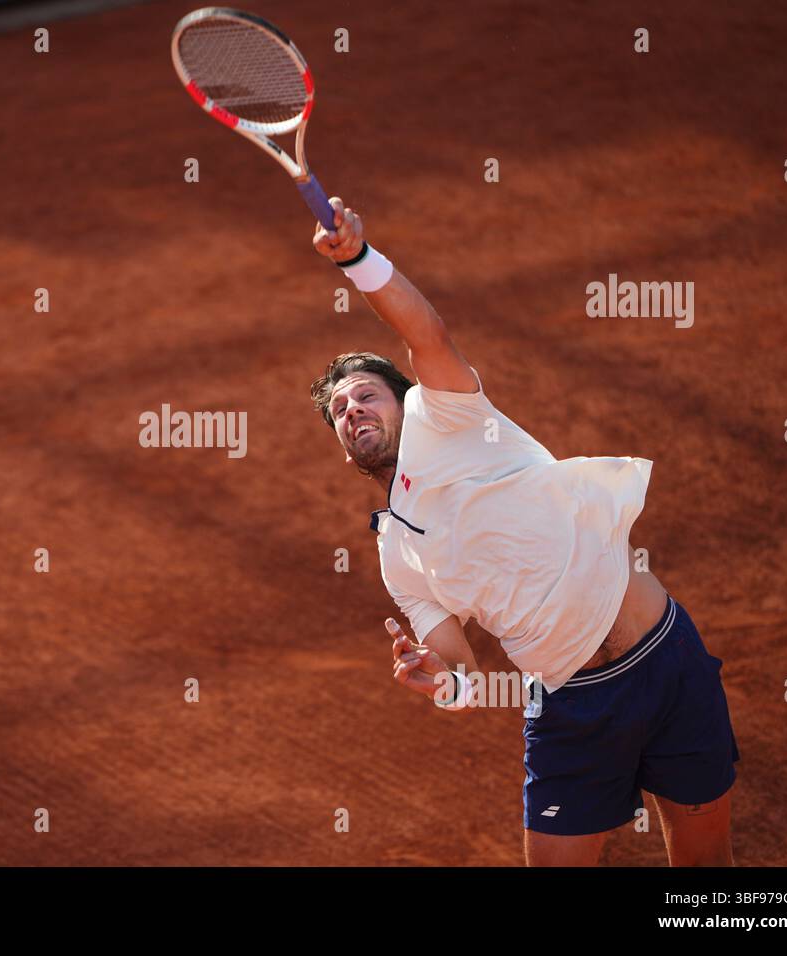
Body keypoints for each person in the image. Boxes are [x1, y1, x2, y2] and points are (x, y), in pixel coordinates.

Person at [310, 198, 739, 866]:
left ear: (406, 401)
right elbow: (462, 673)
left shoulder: (449, 418)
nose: (352, 408)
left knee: (706, 864)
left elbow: (426, 334)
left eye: (366, 394)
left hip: (666, 661)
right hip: (574, 710)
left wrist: (359, 261)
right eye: (339, 410)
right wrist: (441, 683)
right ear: (344, 447)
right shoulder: (398, 557)